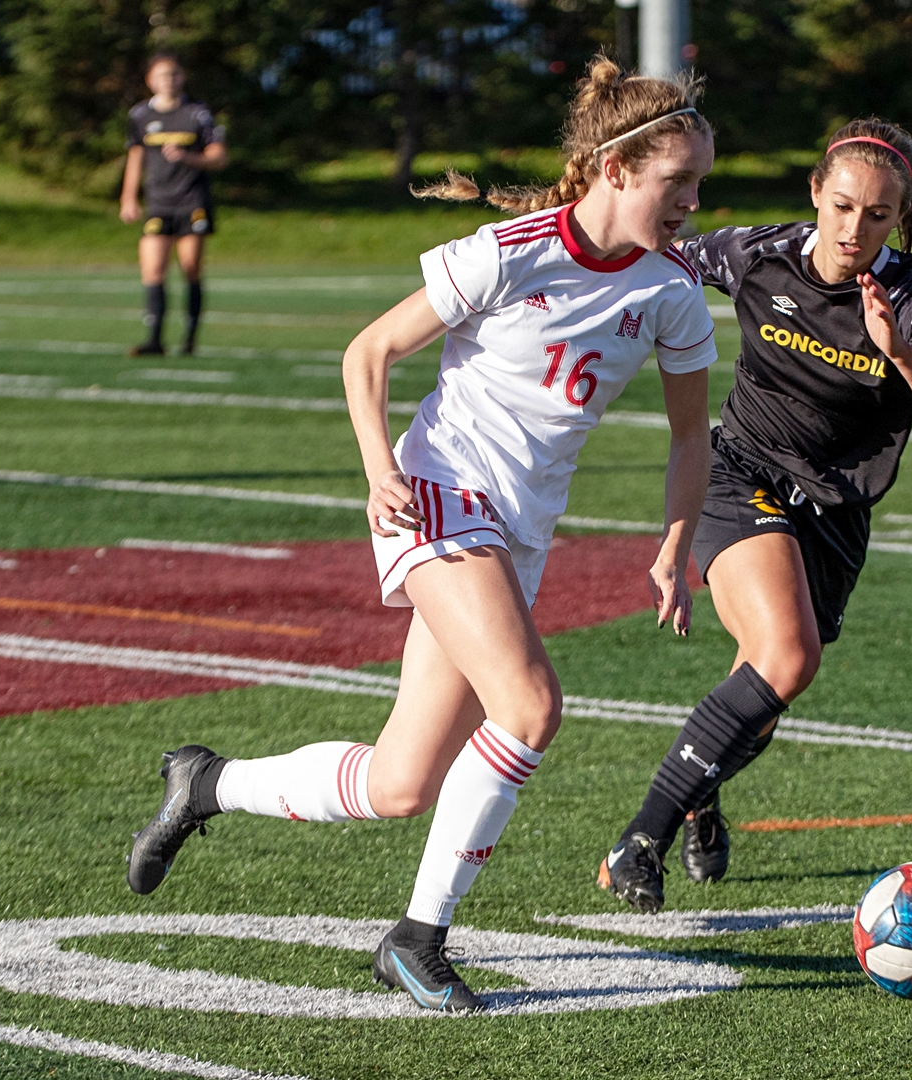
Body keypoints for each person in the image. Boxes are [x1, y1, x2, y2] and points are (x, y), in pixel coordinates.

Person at [122, 57, 718, 1013]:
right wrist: (380, 473)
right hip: (439, 494)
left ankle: (207, 785)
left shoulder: (672, 289)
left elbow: (692, 433)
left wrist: (675, 539)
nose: (692, 200)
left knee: (399, 783)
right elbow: (368, 353)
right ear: (614, 171)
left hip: (516, 533)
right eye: (675, 182)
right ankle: (417, 939)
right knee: (527, 708)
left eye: (699, 183)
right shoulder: (508, 251)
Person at [597, 117, 912, 913]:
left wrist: (903, 353)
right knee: (786, 657)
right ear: (815, 193)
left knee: (766, 690)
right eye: (842, 206)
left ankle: (700, 789)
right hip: (739, 473)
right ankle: (637, 840)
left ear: (899, 215)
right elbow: (656, 242)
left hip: (836, 513)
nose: (855, 229)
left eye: (877, 215)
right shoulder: (760, 254)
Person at [119, 52, 226, 357]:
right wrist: (128, 197)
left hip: (192, 201)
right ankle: (154, 339)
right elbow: (135, 157)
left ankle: (190, 339)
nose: (170, 80)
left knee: (190, 267)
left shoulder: (197, 113)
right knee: (153, 270)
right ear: (150, 80)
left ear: (182, 78)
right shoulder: (140, 115)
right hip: (158, 203)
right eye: (163, 75)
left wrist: (188, 157)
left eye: (175, 74)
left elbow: (219, 157)